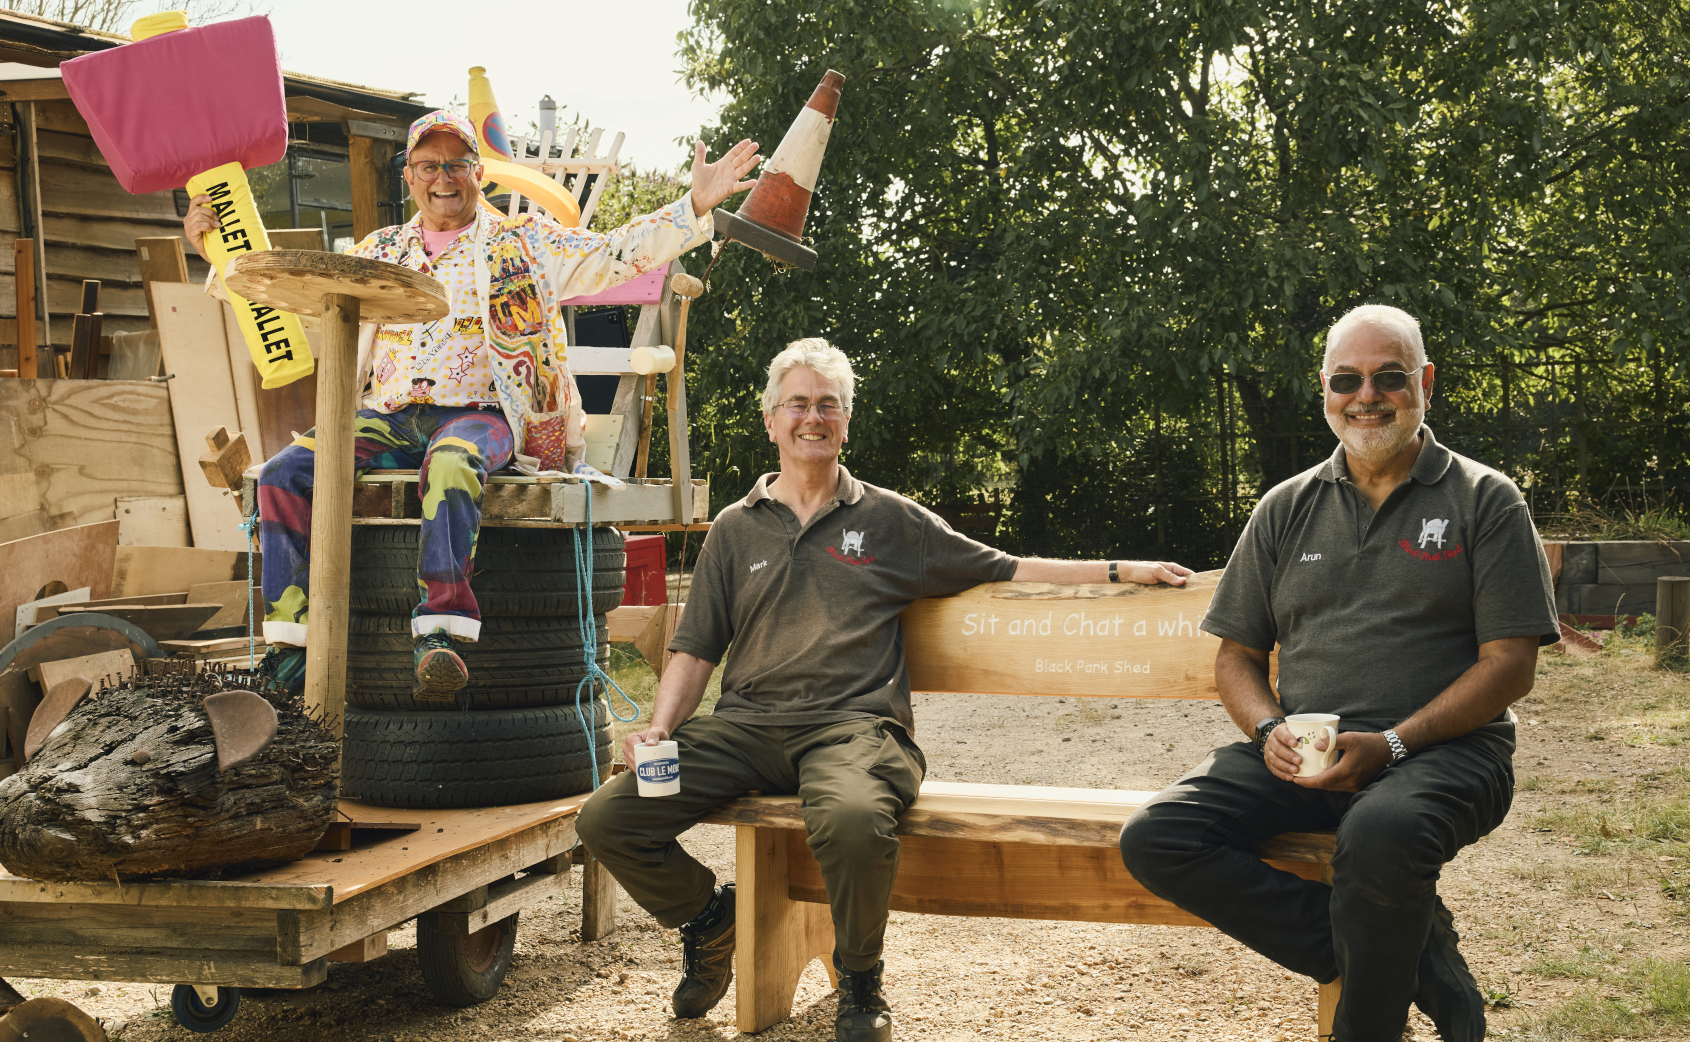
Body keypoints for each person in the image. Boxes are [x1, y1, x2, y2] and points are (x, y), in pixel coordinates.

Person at [575, 339, 1193, 1042]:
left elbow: (1009, 567)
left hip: (853, 729)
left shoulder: (891, 521)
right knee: (607, 820)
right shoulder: (734, 527)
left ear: (845, 423)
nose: (814, 417)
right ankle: (712, 920)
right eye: (799, 404)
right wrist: (659, 728)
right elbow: (695, 649)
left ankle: (860, 980)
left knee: (851, 817)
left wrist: (1119, 570)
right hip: (745, 727)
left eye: (828, 405)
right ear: (772, 421)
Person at [183, 111, 759, 699]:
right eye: (429, 165)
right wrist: (215, 255)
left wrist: (692, 207)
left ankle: (441, 635)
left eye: (456, 164)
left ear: (478, 172)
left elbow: (615, 253)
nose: (444, 178)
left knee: (453, 460)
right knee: (283, 474)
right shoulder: (381, 251)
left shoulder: (522, 241)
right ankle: (292, 650)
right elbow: (291, 298)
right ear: (409, 176)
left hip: (483, 413)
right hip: (388, 418)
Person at [1118, 304, 1559, 1042]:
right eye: (1346, 379)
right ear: (1324, 390)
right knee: (1158, 836)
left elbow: (1510, 665)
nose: (1367, 395)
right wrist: (1269, 730)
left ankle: (1371, 1021)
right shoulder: (1285, 507)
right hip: (1308, 751)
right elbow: (1236, 655)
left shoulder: (1486, 499)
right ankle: (1415, 957)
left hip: (1449, 755)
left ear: (1424, 383)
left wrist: (1390, 745)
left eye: (1389, 377)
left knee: (1383, 832)